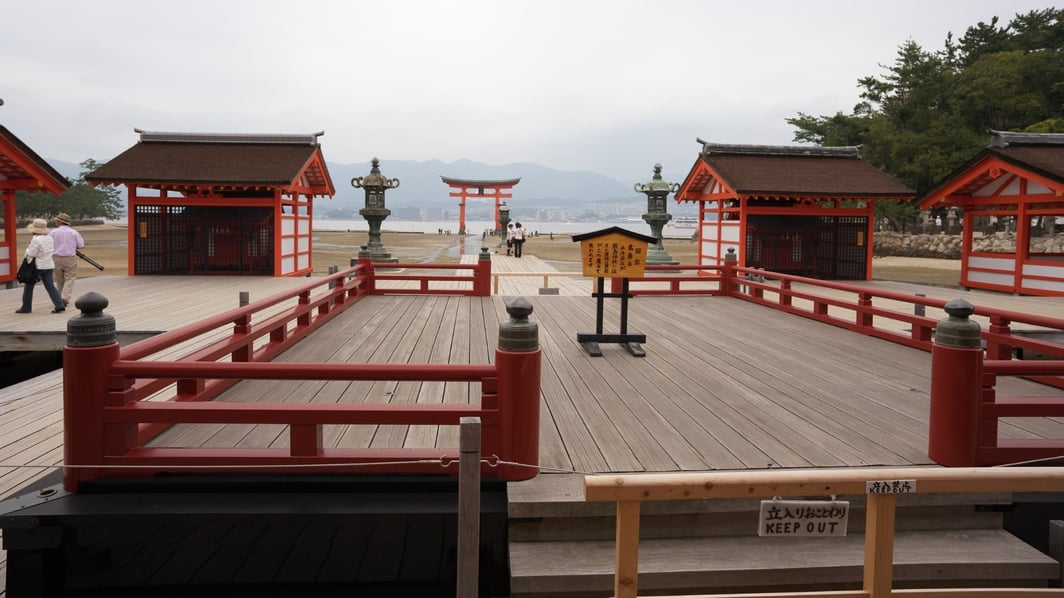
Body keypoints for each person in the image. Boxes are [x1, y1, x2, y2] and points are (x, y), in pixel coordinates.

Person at [16, 219, 66, 314]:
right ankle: (59, 305)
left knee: (29, 286)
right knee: (50, 286)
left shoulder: (35, 240)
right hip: (49, 264)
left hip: (37, 266)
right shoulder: (50, 238)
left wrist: (27, 249)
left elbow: (32, 253)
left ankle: (26, 307)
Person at [49, 212, 84, 307]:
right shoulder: (74, 232)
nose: (55, 222)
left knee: (59, 279)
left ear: (60, 222)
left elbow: (48, 244)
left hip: (55, 257)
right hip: (69, 257)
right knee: (70, 278)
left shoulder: (52, 232)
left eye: (56, 220)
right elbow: (81, 245)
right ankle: (65, 297)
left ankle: (58, 298)